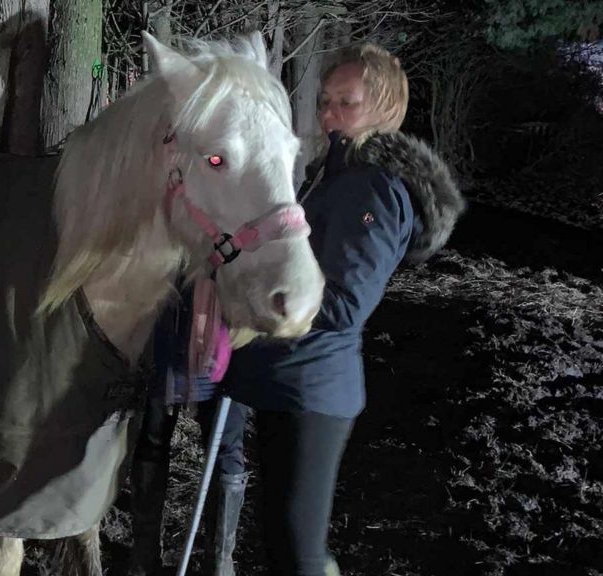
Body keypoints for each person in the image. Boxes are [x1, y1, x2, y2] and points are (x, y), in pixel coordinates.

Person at [223, 42, 466, 576]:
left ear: (385, 108)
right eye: (326, 101)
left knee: (298, 553)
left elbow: (343, 304)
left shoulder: (374, 188)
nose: (330, 113)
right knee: (280, 544)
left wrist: (251, 308)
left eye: (346, 102)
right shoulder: (334, 175)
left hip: (311, 389)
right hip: (283, 378)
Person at [126, 287, 250, 576]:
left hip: (225, 333)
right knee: (151, 439)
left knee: (225, 448)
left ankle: (219, 562)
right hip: (165, 325)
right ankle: (144, 558)